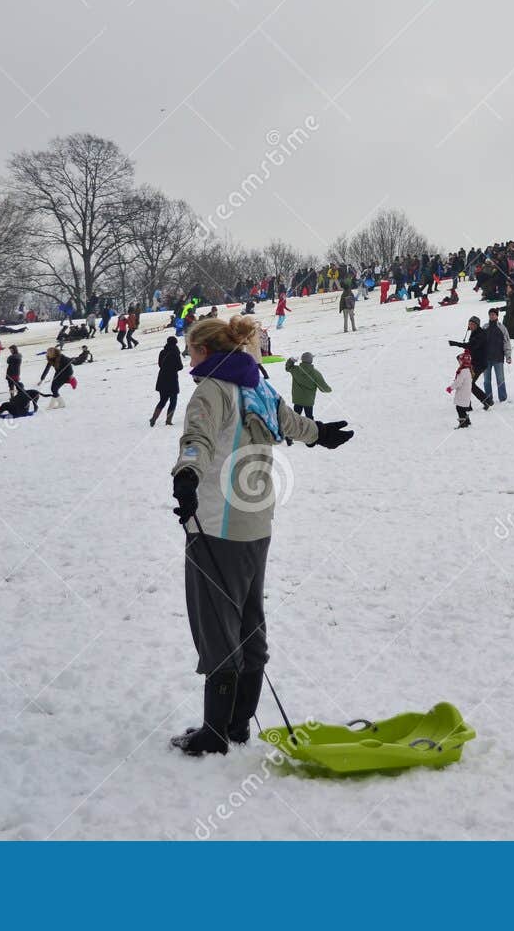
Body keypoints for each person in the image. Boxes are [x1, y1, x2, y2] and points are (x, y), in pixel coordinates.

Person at [167, 314, 354, 756]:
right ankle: (237, 725)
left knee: (217, 625)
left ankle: (216, 734)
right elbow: (290, 422)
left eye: (190, 349)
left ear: (205, 351)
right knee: (249, 620)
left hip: (216, 527)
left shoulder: (210, 390)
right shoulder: (259, 385)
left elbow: (197, 439)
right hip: (257, 523)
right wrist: (319, 434)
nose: (188, 357)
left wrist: (187, 477)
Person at [284, 351, 331, 418]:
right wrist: (329, 389)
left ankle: (295, 427)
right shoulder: (316, 373)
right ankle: (311, 427)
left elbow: (288, 367)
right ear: (311, 360)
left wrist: (291, 360)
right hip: (308, 400)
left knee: (296, 417)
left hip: (297, 399)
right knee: (309, 417)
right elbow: (323, 388)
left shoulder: (295, 369)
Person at [481, 308, 512, 403]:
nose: (492, 316)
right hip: (486, 359)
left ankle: (503, 398)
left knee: (500, 379)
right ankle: (488, 398)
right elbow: (480, 342)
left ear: (497, 316)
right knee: (486, 380)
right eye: (490, 314)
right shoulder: (485, 327)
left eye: (493, 314)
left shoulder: (502, 328)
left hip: (498, 358)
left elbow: (506, 342)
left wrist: (508, 356)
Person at [152, 335, 183, 426]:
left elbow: (160, 364)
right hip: (172, 378)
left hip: (162, 378)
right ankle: (168, 420)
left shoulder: (162, 352)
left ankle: (154, 418)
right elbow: (180, 366)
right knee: (173, 400)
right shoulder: (175, 353)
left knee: (162, 400)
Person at [450, 350, 475, 428]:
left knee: (459, 408)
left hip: (462, 393)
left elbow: (458, 382)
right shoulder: (468, 370)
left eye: (460, 361)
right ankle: (467, 421)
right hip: (466, 393)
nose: (459, 363)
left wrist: (450, 388)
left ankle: (463, 423)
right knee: (463, 409)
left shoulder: (463, 371)